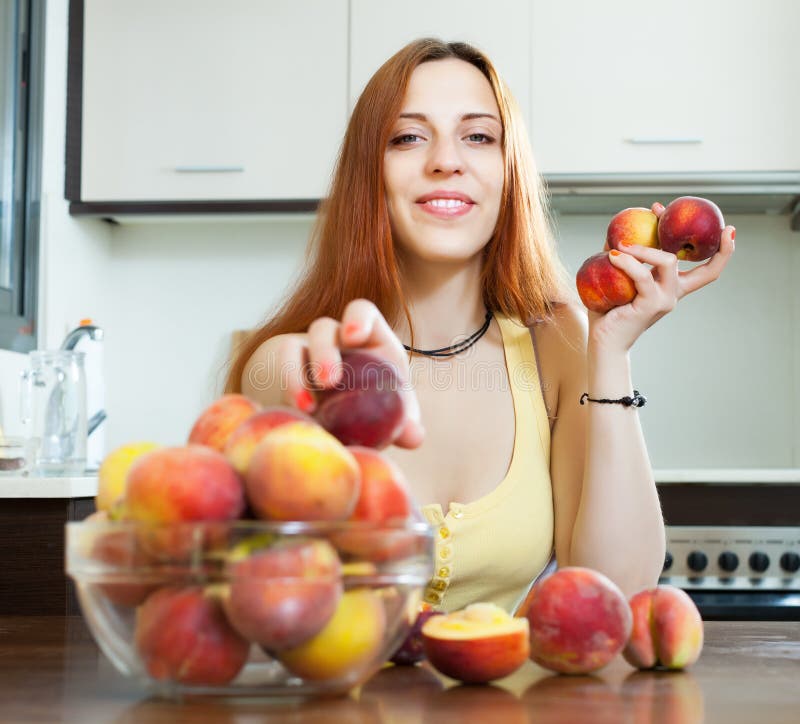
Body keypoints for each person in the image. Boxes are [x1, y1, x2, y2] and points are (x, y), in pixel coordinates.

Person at [225, 38, 734, 613]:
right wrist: (327, 385)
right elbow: (280, 377)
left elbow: (615, 592)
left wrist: (611, 350)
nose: (446, 159)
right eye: (409, 136)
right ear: (370, 173)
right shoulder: (297, 359)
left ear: (508, 172)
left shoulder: (555, 341)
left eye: (478, 136)